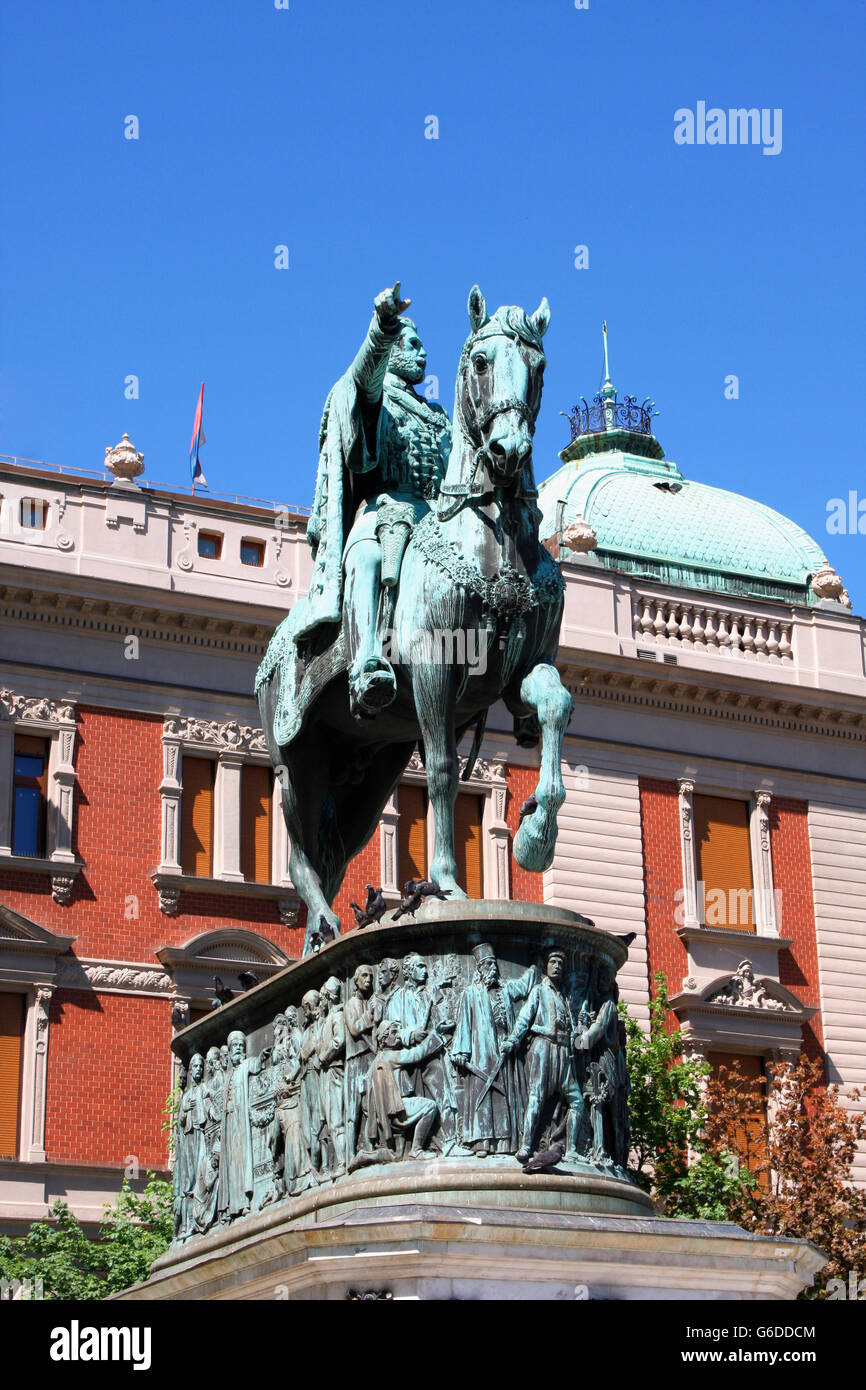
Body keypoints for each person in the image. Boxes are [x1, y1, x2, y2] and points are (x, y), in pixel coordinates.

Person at [503, 949, 587, 1164]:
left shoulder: (566, 999)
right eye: (553, 962)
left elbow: (576, 1034)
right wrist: (513, 1039)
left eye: (560, 963)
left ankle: (572, 1150)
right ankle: (525, 1146)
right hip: (544, 1047)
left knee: (577, 1101)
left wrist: (582, 1029)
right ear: (547, 966)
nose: (557, 966)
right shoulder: (539, 990)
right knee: (536, 1097)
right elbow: (525, 1017)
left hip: (563, 1053)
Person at [451, 943, 535, 1156]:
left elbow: (524, 987)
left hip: (504, 1047)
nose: (494, 968)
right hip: (481, 1049)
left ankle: (505, 1143)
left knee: (505, 1093)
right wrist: (461, 1051)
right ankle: (482, 1142)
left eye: (495, 964)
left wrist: (537, 964)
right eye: (488, 964)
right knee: (483, 1093)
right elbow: (463, 1023)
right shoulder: (470, 993)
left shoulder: (505, 988)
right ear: (479, 968)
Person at [218, 1031, 270, 1222]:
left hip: (240, 1122)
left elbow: (256, 1066)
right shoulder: (228, 1075)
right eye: (236, 1047)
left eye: (241, 1046)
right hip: (229, 1123)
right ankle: (231, 1206)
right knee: (230, 1163)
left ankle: (244, 1202)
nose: (238, 1049)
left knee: (241, 1159)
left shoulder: (246, 1065)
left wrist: (263, 1055)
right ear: (230, 1050)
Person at [344, 964, 378, 1161]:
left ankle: (370, 1145)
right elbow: (355, 1028)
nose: (368, 980)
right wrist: (369, 1015)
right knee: (353, 1109)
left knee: (370, 1104)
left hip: (370, 1057)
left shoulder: (371, 1002)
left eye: (370, 976)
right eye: (364, 976)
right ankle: (349, 1155)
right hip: (355, 1061)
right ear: (356, 980)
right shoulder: (350, 1004)